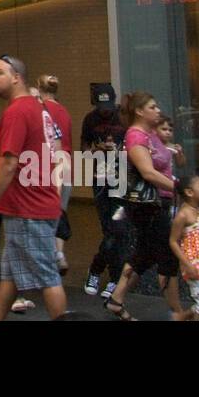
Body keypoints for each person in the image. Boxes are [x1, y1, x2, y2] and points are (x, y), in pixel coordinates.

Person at [0, 55, 68, 321]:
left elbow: (8, 162)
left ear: (16, 77)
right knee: (9, 278)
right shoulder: (41, 110)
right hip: (36, 204)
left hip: (28, 209)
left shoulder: (17, 112)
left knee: (48, 277)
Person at [103, 91, 180, 321]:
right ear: (139, 111)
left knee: (145, 254)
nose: (158, 110)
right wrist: (181, 188)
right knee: (168, 255)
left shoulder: (151, 134)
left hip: (159, 202)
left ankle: (116, 300)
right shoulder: (135, 136)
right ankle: (178, 313)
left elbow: (164, 160)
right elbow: (147, 171)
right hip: (148, 206)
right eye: (153, 107)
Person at [82, 89, 127, 300]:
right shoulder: (90, 120)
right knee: (108, 229)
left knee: (117, 230)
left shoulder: (123, 118)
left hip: (122, 177)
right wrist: (96, 149)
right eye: (101, 108)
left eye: (108, 108)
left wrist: (119, 151)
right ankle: (105, 274)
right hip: (100, 178)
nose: (105, 112)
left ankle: (104, 273)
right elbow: (83, 150)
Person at [37, 74, 74, 275]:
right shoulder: (65, 112)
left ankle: (47, 257)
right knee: (61, 210)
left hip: (46, 165)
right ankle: (59, 252)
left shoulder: (40, 111)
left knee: (44, 214)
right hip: (66, 165)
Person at [170, 174, 199, 321]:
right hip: (193, 265)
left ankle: (182, 317)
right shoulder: (183, 215)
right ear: (189, 192)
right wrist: (187, 264)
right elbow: (173, 241)